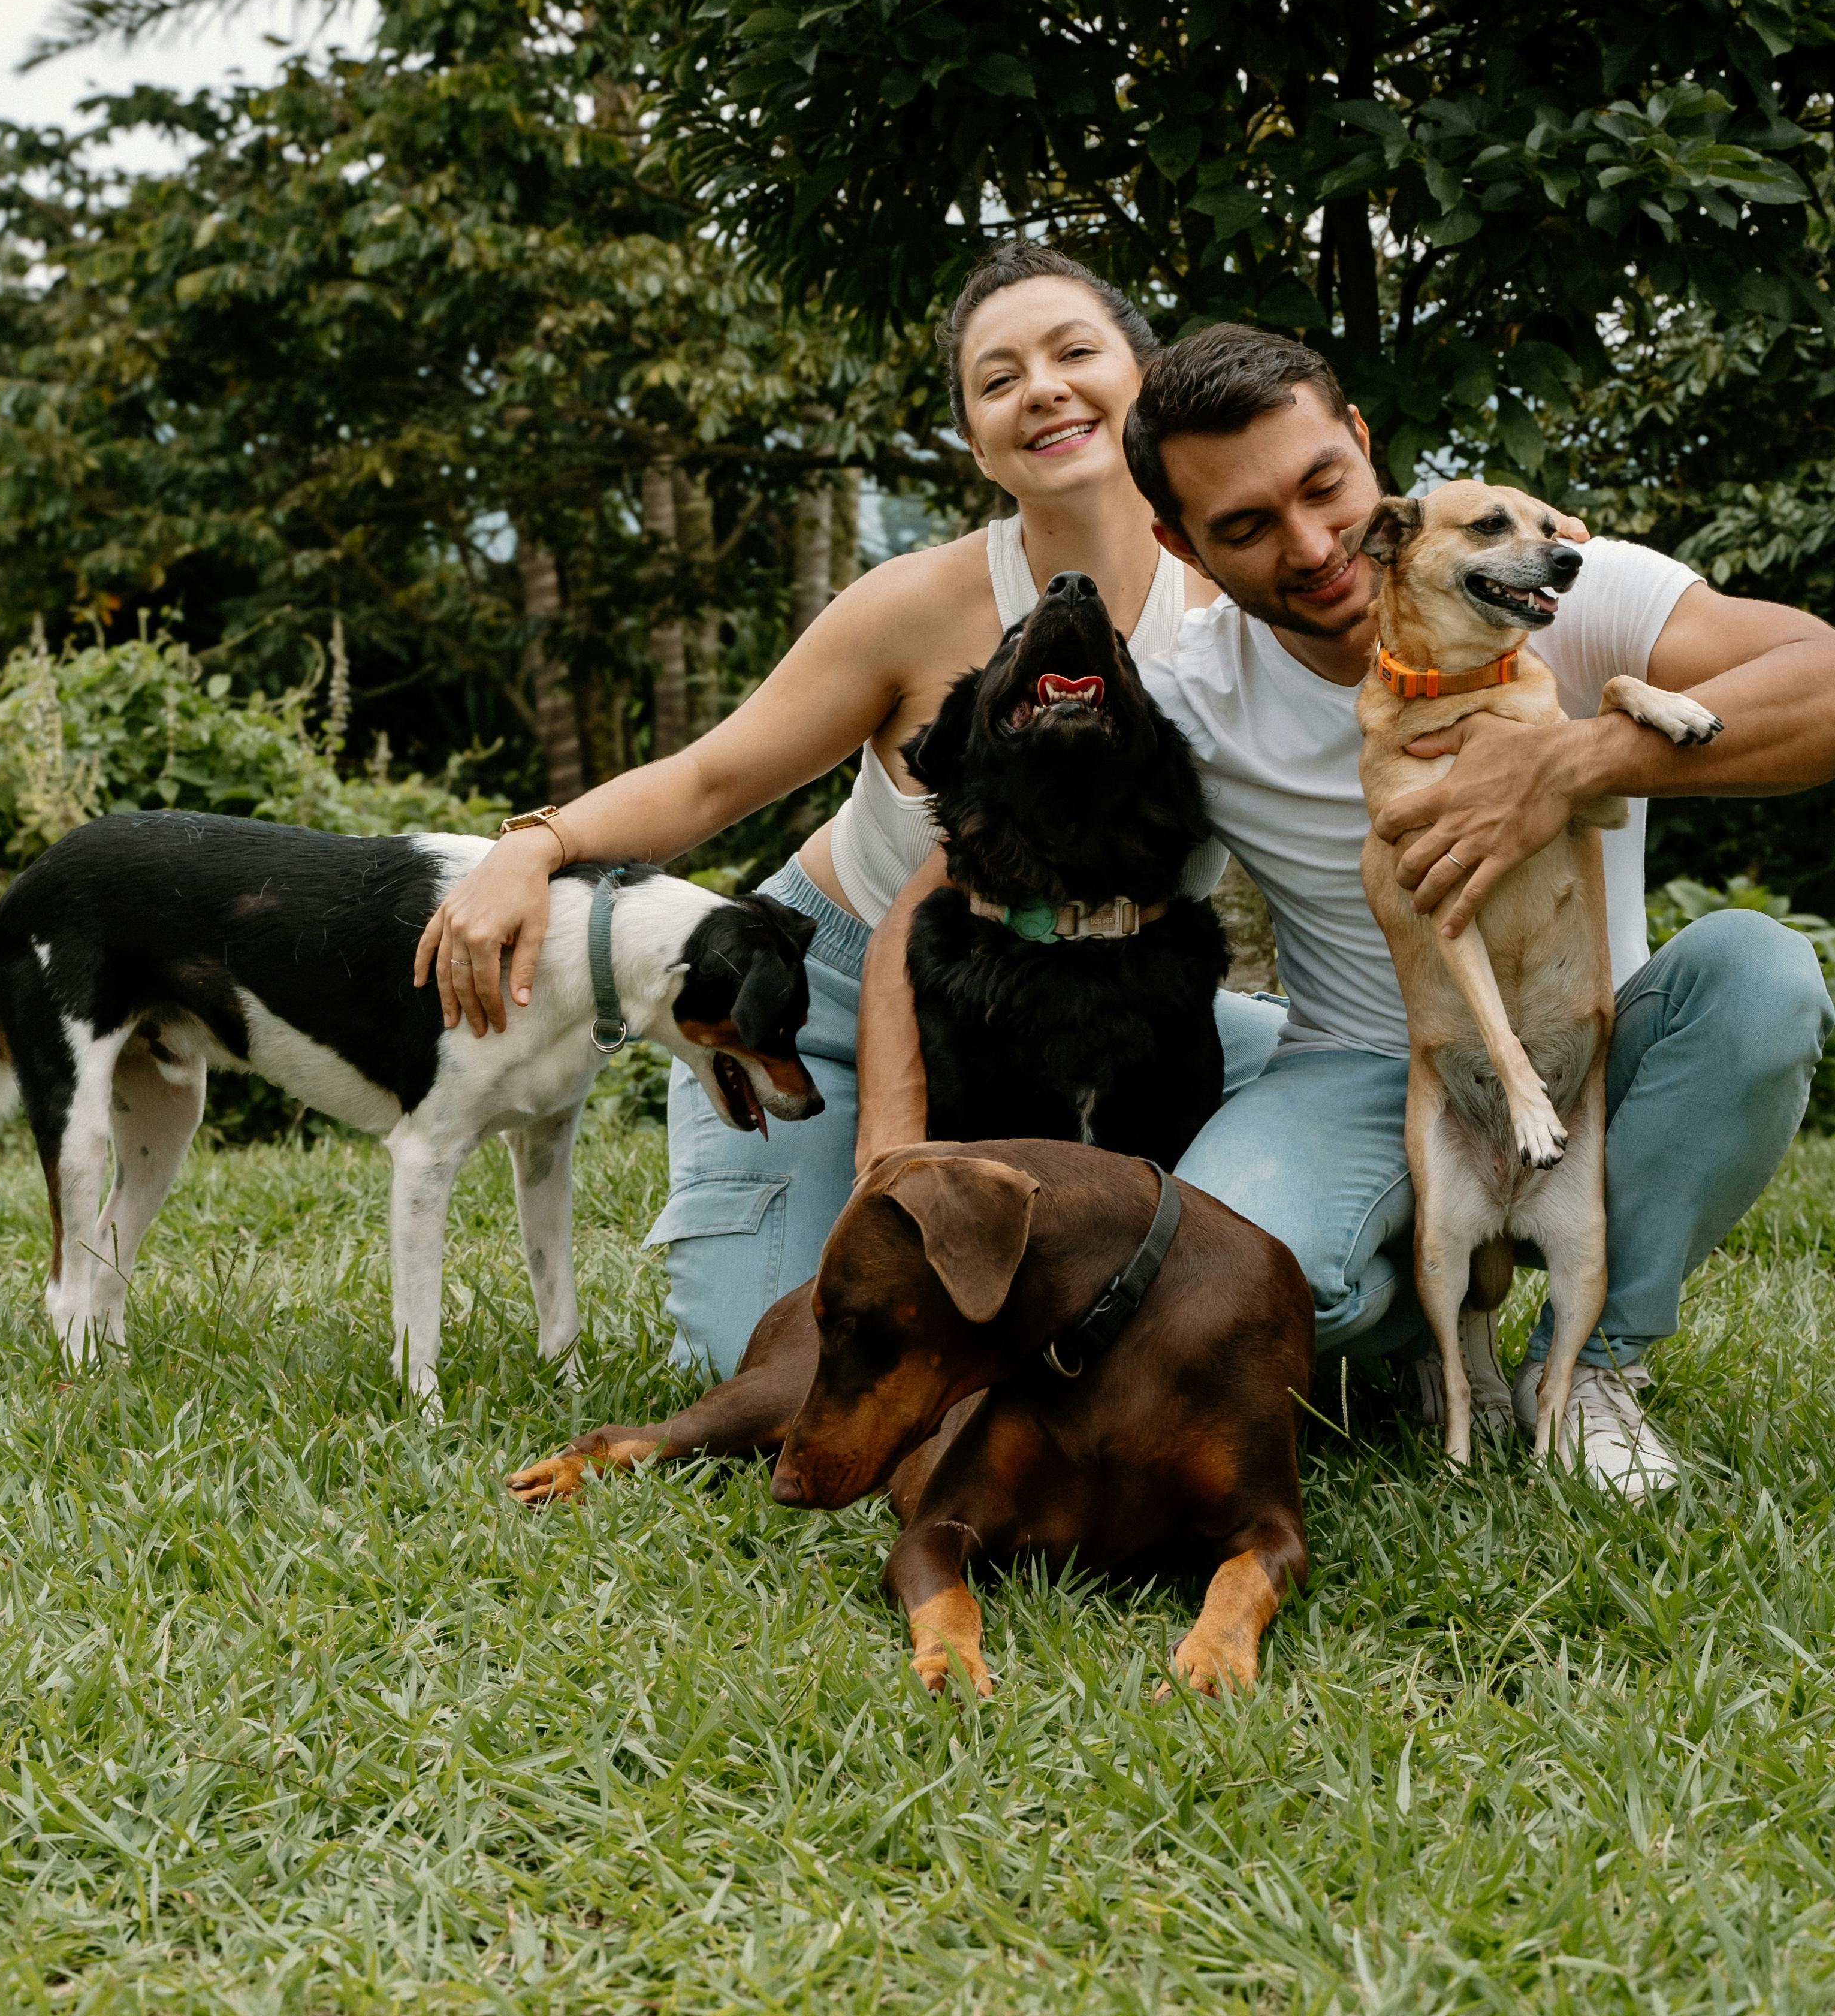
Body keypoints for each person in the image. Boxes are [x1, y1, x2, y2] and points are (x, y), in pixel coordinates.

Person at [858, 323, 1835, 1496]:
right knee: (1215, 1299)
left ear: (1364, 446)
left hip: (1589, 1034)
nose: (1314, 547)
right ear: (1180, 540)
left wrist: (1567, 764)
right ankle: (1427, 1314)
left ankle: (1594, 1374)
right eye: (1249, 528)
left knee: (1759, 972)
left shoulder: (1547, 578)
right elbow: (967, 889)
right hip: (1365, 1070)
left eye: (1325, 487)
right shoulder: (1193, 694)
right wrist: (895, 1168)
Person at [412, 245, 1278, 1375]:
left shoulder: (1249, 602)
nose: (1045, 391)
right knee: (781, 1360)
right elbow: (713, 781)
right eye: (999, 379)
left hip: (1115, 983)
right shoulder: (919, 606)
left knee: (1284, 1178)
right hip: (824, 985)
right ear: (976, 441)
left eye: (1075, 354)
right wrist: (537, 844)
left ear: (1146, 381)